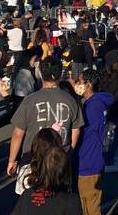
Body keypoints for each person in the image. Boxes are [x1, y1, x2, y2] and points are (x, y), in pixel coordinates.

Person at [6, 58, 83, 191]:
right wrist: (69, 152)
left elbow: (18, 133)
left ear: (40, 74)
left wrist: (12, 160)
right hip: (59, 159)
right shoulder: (70, 100)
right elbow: (76, 131)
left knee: (30, 200)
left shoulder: (29, 100)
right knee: (57, 200)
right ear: (60, 75)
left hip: (32, 159)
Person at [73, 68, 113, 215]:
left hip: (88, 162)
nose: (77, 85)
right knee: (89, 208)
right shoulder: (98, 103)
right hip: (93, 160)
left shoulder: (92, 106)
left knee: (90, 210)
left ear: (88, 84)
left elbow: (83, 132)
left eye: (79, 81)